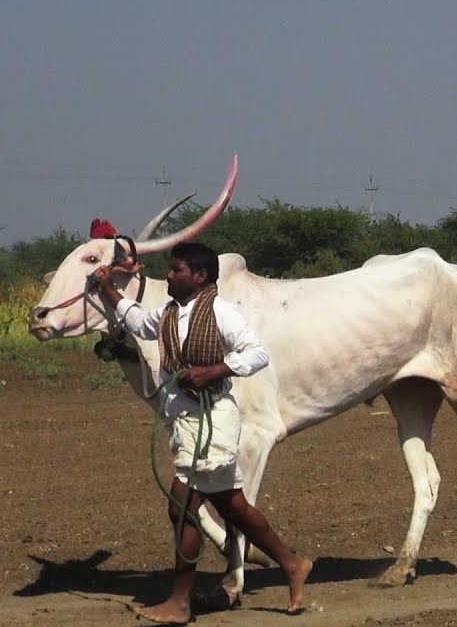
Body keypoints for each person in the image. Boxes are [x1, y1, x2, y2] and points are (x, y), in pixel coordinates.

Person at [95, 241, 310, 625]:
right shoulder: (168, 314)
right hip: (186, 421)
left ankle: (180, 602)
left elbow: (257, 353)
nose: (170, 275)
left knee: (182, 508)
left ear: (199, 277)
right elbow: (138, 321)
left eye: (176, 269)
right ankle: (292, 564)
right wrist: (108, 289)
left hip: (212, 421)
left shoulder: (222, 313)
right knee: (233, 508)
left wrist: (214, 371)